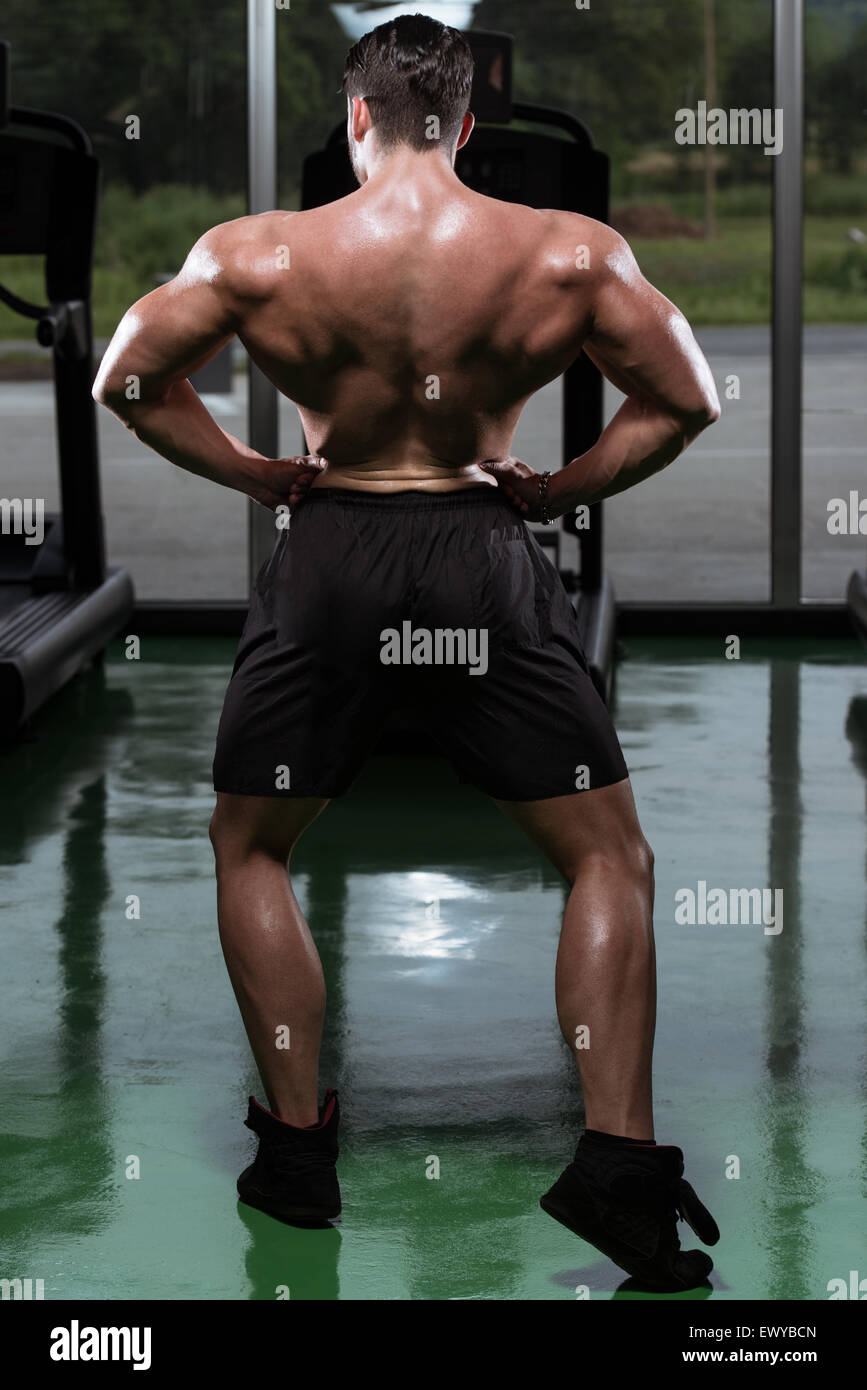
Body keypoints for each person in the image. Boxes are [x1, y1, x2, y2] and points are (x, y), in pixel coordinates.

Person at [93, 13, 721, 1291]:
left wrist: (261, 472)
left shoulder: (259, 251)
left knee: (253, 843)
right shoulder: (566, 251)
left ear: (357, 120)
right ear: (471, 123)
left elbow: (129, 378)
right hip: (483, 563)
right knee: (608, 855)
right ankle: (617, 1167)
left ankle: (297, 1151)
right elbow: (688, 400)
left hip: (328, 560)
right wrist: (556, 495)